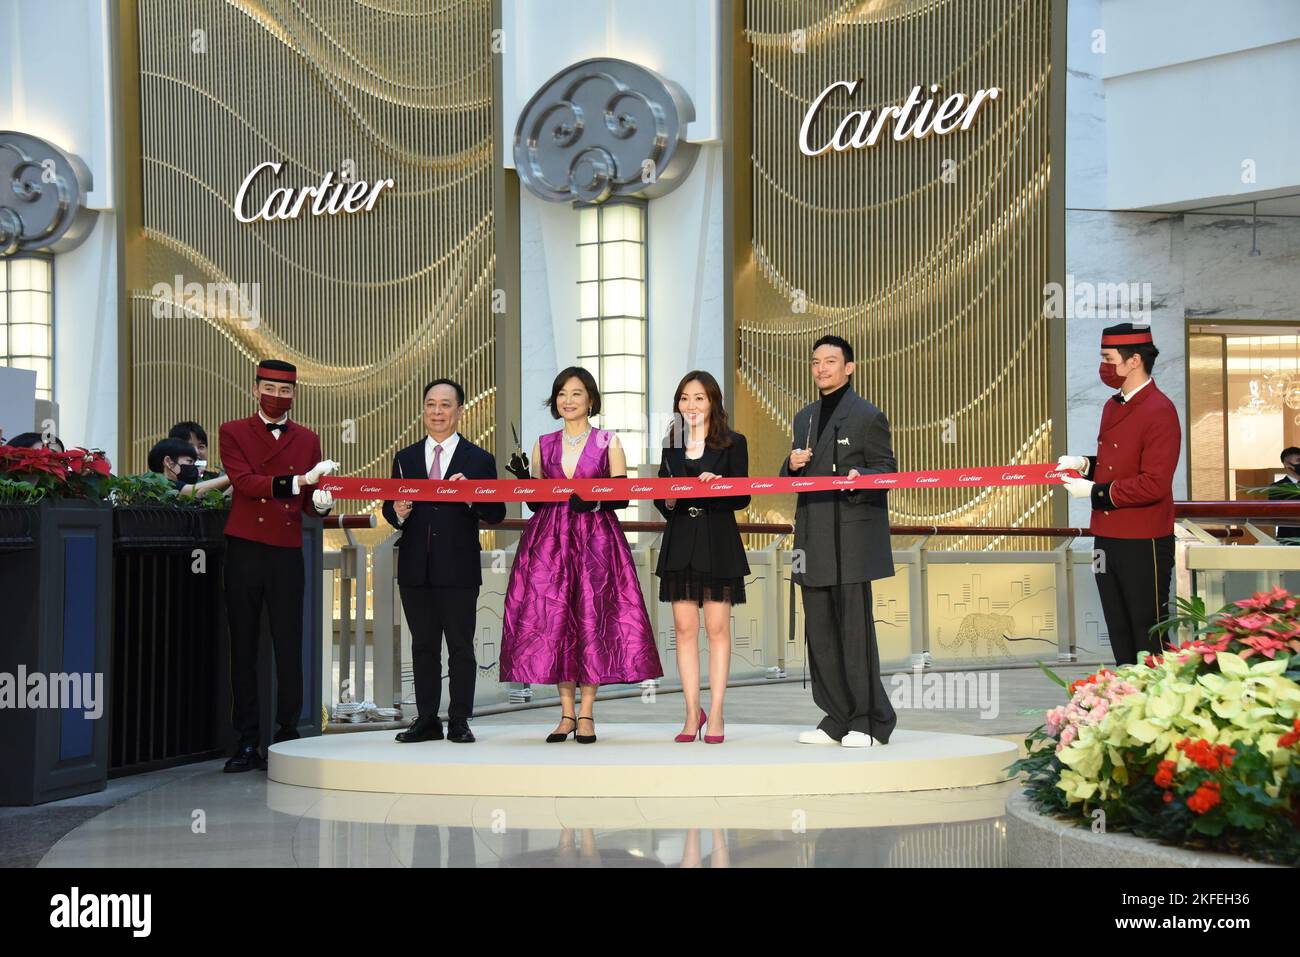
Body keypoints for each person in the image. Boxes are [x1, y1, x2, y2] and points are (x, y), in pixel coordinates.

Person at [499, 366, 662, 743]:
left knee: (592, 618)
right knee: (556, 621)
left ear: (590, 399)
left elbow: (622, 495)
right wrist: (526, 481)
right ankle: (566, 714)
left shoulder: (608, 441)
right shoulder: (543, 443)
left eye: (576, 393)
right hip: (549, 542)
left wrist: (593, 500)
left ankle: (587, 713)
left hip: (596, 541)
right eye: (562, 394)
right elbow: (536, 505)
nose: (568, 400)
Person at [779, 335, 898, 748]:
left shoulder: (867, 416)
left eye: (831, 361)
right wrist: (790, 465)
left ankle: (869, 719)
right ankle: (835, 717)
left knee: (853, 632)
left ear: (850, 367)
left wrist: (861, 478)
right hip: (811, 538)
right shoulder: (803, 417)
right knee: (821, 633)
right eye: (815, 362)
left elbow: (887, 470)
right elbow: (789, 478)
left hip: (849, 542)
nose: (822, 369)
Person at [218, 359, 337, 772]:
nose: (277, 397)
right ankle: (247, 739)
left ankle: (289, 734)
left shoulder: (308, 438)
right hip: (246, 547)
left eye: (285, 391)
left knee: (290, 643)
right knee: (244, 645)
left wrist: (320, 502)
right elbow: (246, 483)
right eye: (270, 388)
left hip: (286, 549)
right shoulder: (232, 431)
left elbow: (310, 502)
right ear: (255, 390)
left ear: (294, 395)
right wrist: (299, 483)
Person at [381, 379, 506, 744]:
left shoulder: (479, 459)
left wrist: (470, 496)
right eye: (431, 405)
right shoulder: (404, 458)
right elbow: (391, 509)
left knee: (461, 647)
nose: (437, 412)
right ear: (424, 410)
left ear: (460, 411)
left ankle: (460, 720)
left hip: (458, 567)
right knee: (422, 646)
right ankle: (426, 719)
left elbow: (496, 512)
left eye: (445, 405)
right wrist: (398, 512)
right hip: (415, 568)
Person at [1059, 323, 1181, 666]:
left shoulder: (1160, 410)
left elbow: (1154, 483)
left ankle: (1159, 706)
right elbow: (1119, 465)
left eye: (1108, 358)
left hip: (1144, 539)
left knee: (1147, 627)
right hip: (1107, 537)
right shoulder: (1113, 406)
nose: (1104, 367)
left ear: (1133, 361)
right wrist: (1086, 464)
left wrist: (1094, 492)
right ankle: (1125, 701)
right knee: (1118, 625)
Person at [652, 371, 749, 744]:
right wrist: (668, 499)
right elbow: (661, 495)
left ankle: (719, 711)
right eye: (684, 399)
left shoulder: (732, 442)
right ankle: (692, 712)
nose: (691, 406)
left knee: (718, 629)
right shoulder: (670, 444)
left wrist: (718, 485)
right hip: (680, 541)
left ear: (713, 403)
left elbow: (743, 496)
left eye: (699, 398)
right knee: (684, 630)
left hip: (718, 539)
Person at [146, 437, 230, 498]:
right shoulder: (159, 487)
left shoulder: (182, 488)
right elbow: (196, 491)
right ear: (168, 462)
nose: (193, 467)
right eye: (189, 461)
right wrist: (232, 477)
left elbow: (220, 500)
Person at [1268, 447, 1300, 544]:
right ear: (1287, 464)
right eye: (1298, 460)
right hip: (1289, 540)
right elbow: (1276, 514)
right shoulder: (1277, 488)